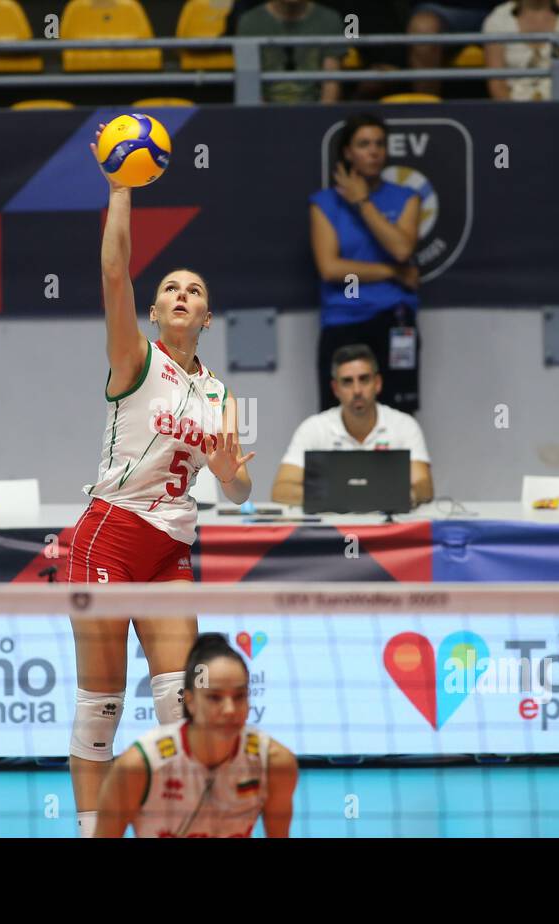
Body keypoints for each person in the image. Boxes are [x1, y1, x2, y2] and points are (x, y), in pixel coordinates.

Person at [66, 123, 256, 839]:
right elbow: (115, 271)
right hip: (108, 539)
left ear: (207, 316)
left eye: (195, 289)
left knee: (187, 705)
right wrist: (121, 189)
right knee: (101, 709)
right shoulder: (134, 359)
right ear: (154, 311)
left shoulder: (220, 395)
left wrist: (234, 474)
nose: (181, 293)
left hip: (171, 551)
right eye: (171, 287)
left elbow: (235, 494)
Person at [94, 633, 298, 838]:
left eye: (239, 697)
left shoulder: (274, 764)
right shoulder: (138, 767)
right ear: (189, 701)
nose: (229, 709)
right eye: (214, 698)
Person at [310, 113, 422, 414]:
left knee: (398, 416)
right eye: (363, 144)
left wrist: (362, 202)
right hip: (343, 320)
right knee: (337, 416)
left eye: (379, 144)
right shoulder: (324, 203)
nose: (373, 151)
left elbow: (400, 249)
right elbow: (330, 268)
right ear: (347, 152)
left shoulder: (407, 198)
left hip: (393, 320)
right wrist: (393, 273)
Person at [272, 344, 433, 507]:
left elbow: (424, 487)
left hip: (387, 527)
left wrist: (401, 497)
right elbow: (281, 490)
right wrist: (345, 497)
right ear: (335, 389)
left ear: (377, 383)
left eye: (364, 379)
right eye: (347, 382)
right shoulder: (313, 428)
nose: (357, 390)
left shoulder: (404, 425)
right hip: (332, 528)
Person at [236, 0, 347, 104]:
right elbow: (250, 86)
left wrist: (320, 119)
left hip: (315, 113)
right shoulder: (249, 22)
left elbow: (331, 84)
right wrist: (264, 120)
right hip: (265, 116)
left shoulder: (329, 20)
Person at [482, 0, 559, 101]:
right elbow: (497, 85)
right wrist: (514, 115)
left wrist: (556, 113)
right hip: (513, 111)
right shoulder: (497, 20)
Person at [405, 0, 499, 96]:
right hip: (440, 8)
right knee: (423, 28)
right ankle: (427, 107)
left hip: (497, 8)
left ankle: (509, 108)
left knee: (508, 24)